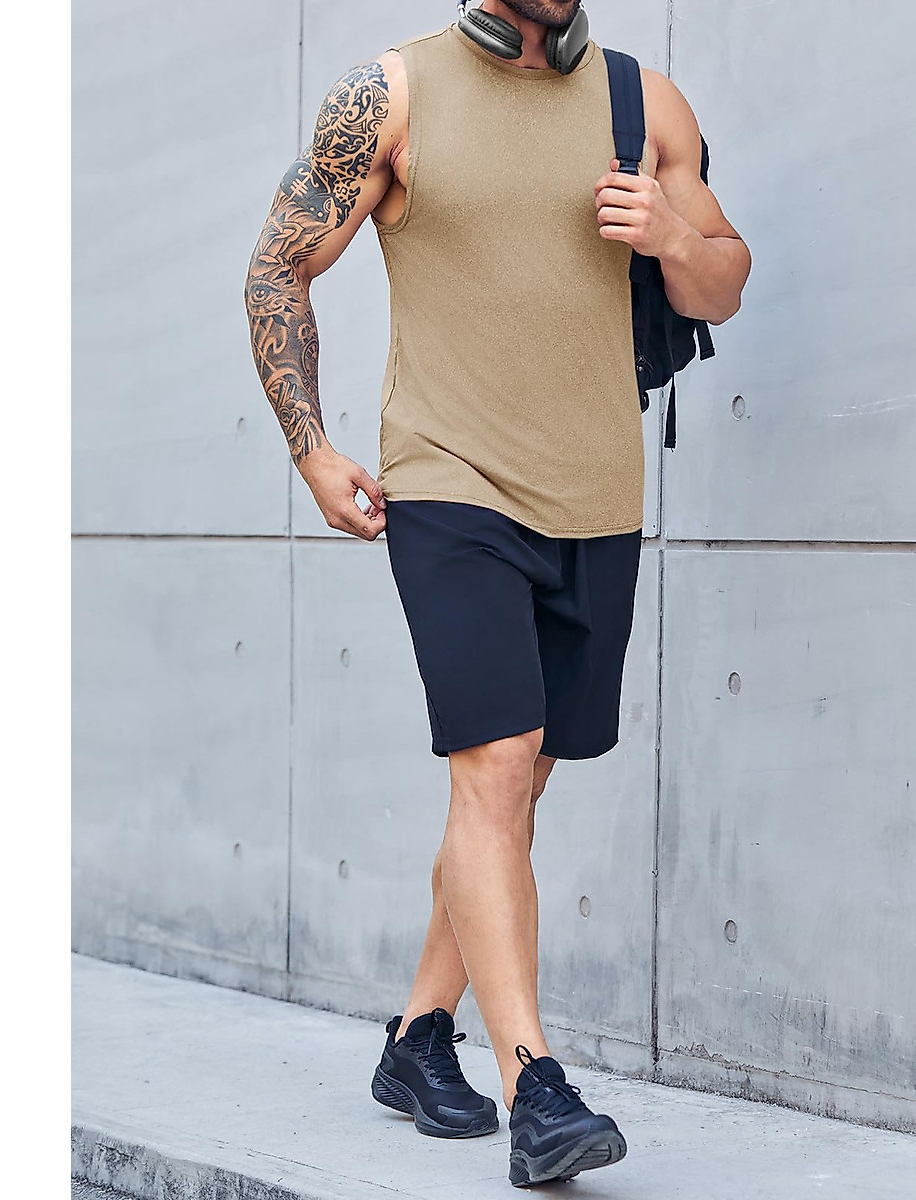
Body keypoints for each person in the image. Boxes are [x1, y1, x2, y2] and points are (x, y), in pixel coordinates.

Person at [244, 0, 750, 1186]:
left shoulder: (641, 101)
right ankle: (537, 1086)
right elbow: (278, 265)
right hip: (447, 481)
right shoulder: (393, 94)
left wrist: (671, 236)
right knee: (497, 765)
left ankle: (419, 1039)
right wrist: (311, 448)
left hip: (597, 496)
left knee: (517, 787)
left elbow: (722, 284)